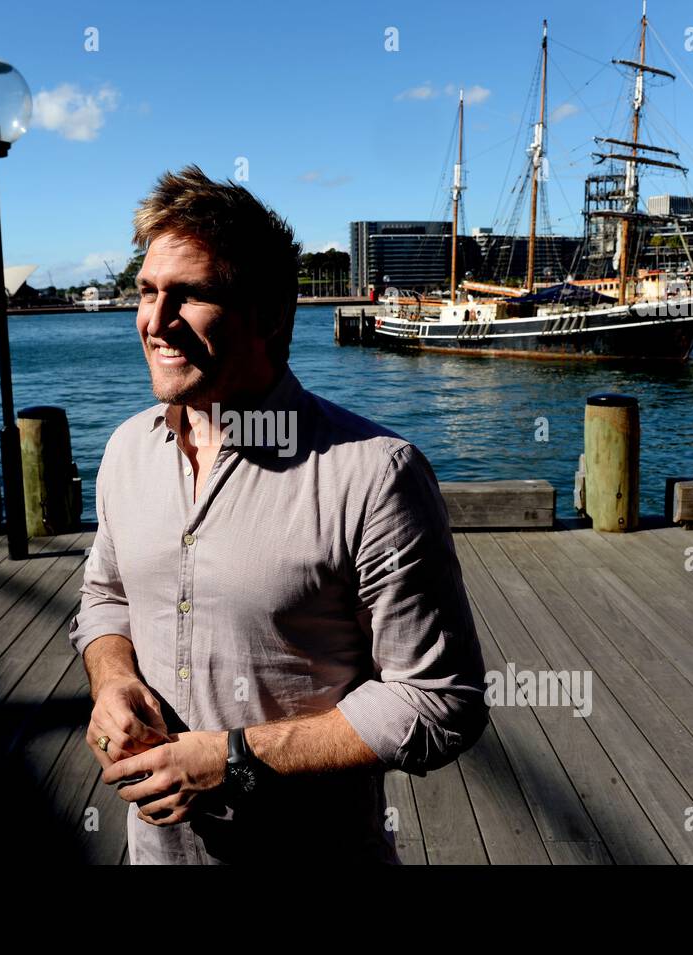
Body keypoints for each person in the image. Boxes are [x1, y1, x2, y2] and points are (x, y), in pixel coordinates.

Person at [67, 165, 489, 864]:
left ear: (267, 316)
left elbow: (442, 700)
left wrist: (232, 758)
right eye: (146, 291)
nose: (155, 320)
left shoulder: (374, 476)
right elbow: (105, 596)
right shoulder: (126, 452)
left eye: (190, 295)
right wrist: (111, 677)